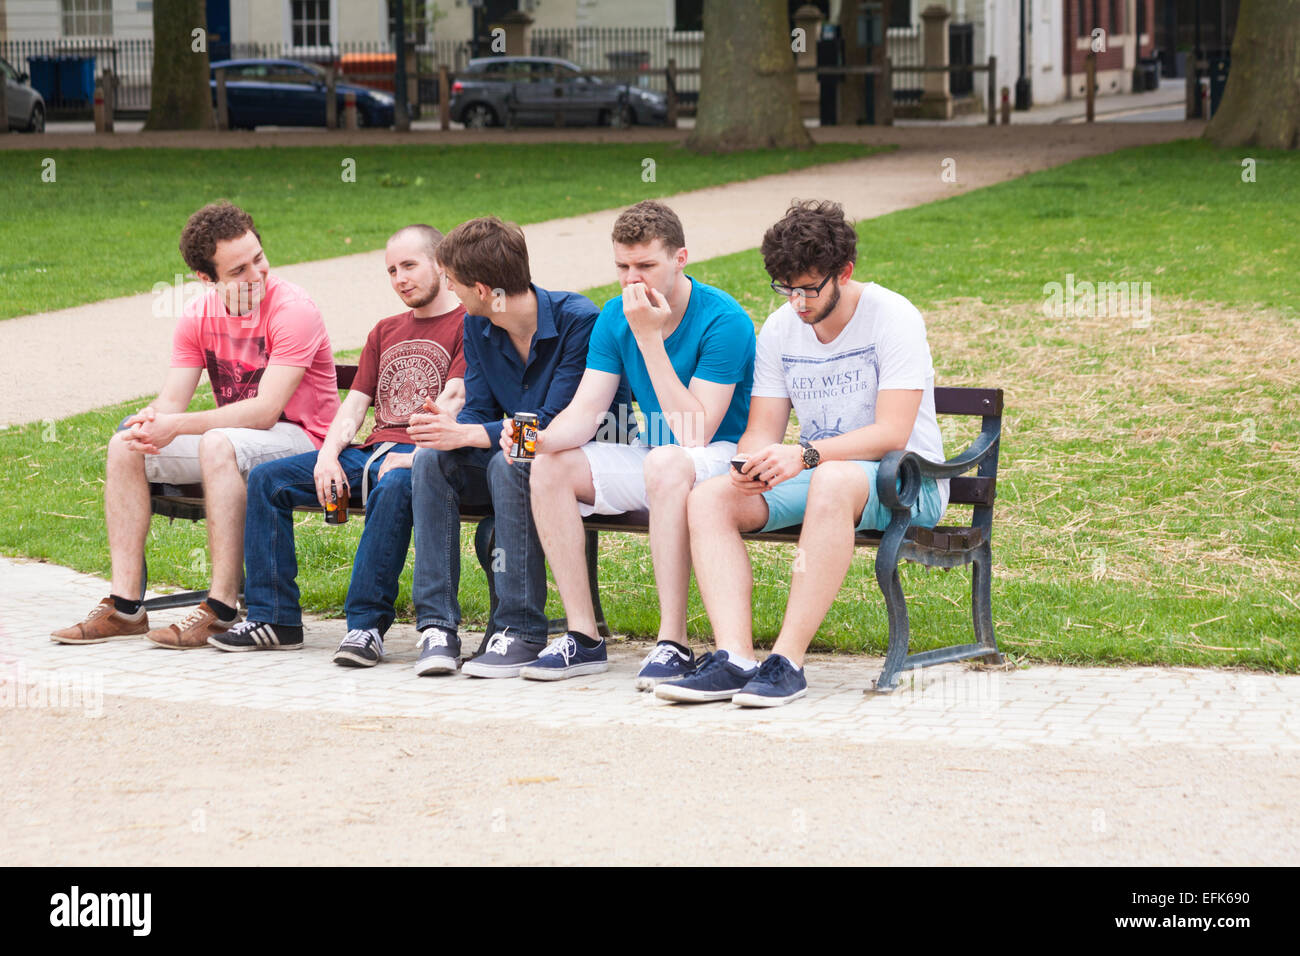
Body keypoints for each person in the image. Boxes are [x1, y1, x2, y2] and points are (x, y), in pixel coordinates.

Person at [657, 199, 948, 707]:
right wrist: (747, 466)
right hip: (823, 473)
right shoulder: (780, 328)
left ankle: (786, 662)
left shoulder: (892, 316)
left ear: (845, 272)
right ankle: (735, 658)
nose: (797, 301)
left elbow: (893, 433)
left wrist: (806, 455)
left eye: (809, 287)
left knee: (835, 481)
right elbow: (762, 430)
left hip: (904, 479)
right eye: (786, 287)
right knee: (709, 498)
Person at [51, 201, 339, 649]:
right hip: (236, 441)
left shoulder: (293, 309)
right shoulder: (198, 316)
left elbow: (265, 412)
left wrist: (179, 425)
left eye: (259, 258)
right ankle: (126, 607)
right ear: (208, 279)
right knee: (125, 444)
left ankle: (221, 608)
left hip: (306, 442)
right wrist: (152, 422)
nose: (257, 275)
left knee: (217, 444)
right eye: (239, 270)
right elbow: (172, 400)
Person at [517, 200, 755, 686]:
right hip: (656, 459)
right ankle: (583, 637)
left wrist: (649, 340)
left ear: (680, 259)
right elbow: (586, 413)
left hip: (722, 457)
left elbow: (696, 432)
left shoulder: (723, 319)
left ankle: (673, 642)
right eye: (623, 267)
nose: (632, 279)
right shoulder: (614, 315)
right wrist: (536, 441)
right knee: (551, 466)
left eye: (646, 266)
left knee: (668, 459)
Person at [208, 225, 466, 661]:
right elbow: (355, 406)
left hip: (423, 457)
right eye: (391, 271)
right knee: (268, 480)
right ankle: (275, 617)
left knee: (394, 485)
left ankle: (365, 625)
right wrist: (328, 455)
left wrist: (417, 454)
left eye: (409, 265)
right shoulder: (385, 330)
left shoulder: (468, 324)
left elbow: (456, 398)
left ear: (440, 263)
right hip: (369, 454)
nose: (400, 278)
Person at [409, 217, 633, 678]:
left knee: (511, 463)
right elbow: (478, 411)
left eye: (453, 280)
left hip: (578, 458)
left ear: (482, 286)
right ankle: (437, 628)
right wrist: (447, 428)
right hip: (511, 457)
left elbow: (554, 423)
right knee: (432, 459)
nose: (449, 289)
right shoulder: (479, 324)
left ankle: (521, 631)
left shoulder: (578, 321)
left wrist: (472, 434)